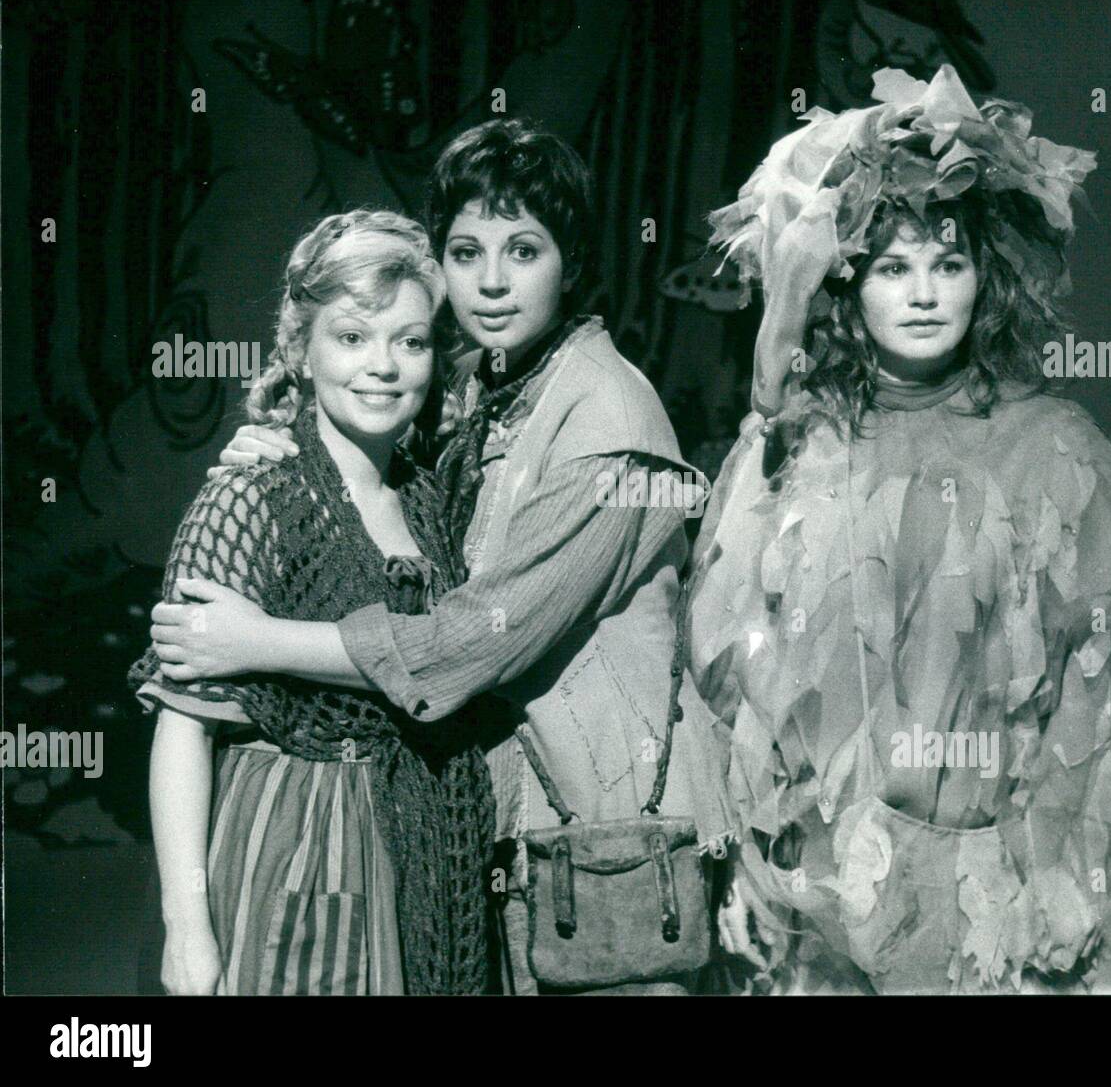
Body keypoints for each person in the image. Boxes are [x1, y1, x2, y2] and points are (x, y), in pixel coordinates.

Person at [693, 65, 1111, 994]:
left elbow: (1100, 715)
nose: (922, 293)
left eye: (947, 264)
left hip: (1004, 887)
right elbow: (745, 669)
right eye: (891, 267)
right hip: (842, 886)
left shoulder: (1054, 450)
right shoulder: (813, 447)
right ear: (852, 288)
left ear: (981, 278)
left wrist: (1050, 886)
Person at [148, 120, 735, 994]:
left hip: (609, 855)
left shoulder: (609, 424)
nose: (492, 281)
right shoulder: (476, 400)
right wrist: (278, 438)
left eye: (524, 249)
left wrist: (256, 640)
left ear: (569, 261)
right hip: (481, 860)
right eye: (466, 251)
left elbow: (470, 640)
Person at [132, 211, 496, 995]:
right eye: (353, 337)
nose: (385, 366)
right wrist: (187, 927)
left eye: (411, 340)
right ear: (299, 349)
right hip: (295, 854)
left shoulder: (428, 500)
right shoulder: (252, 492)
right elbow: (182, 732)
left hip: (417, 857)